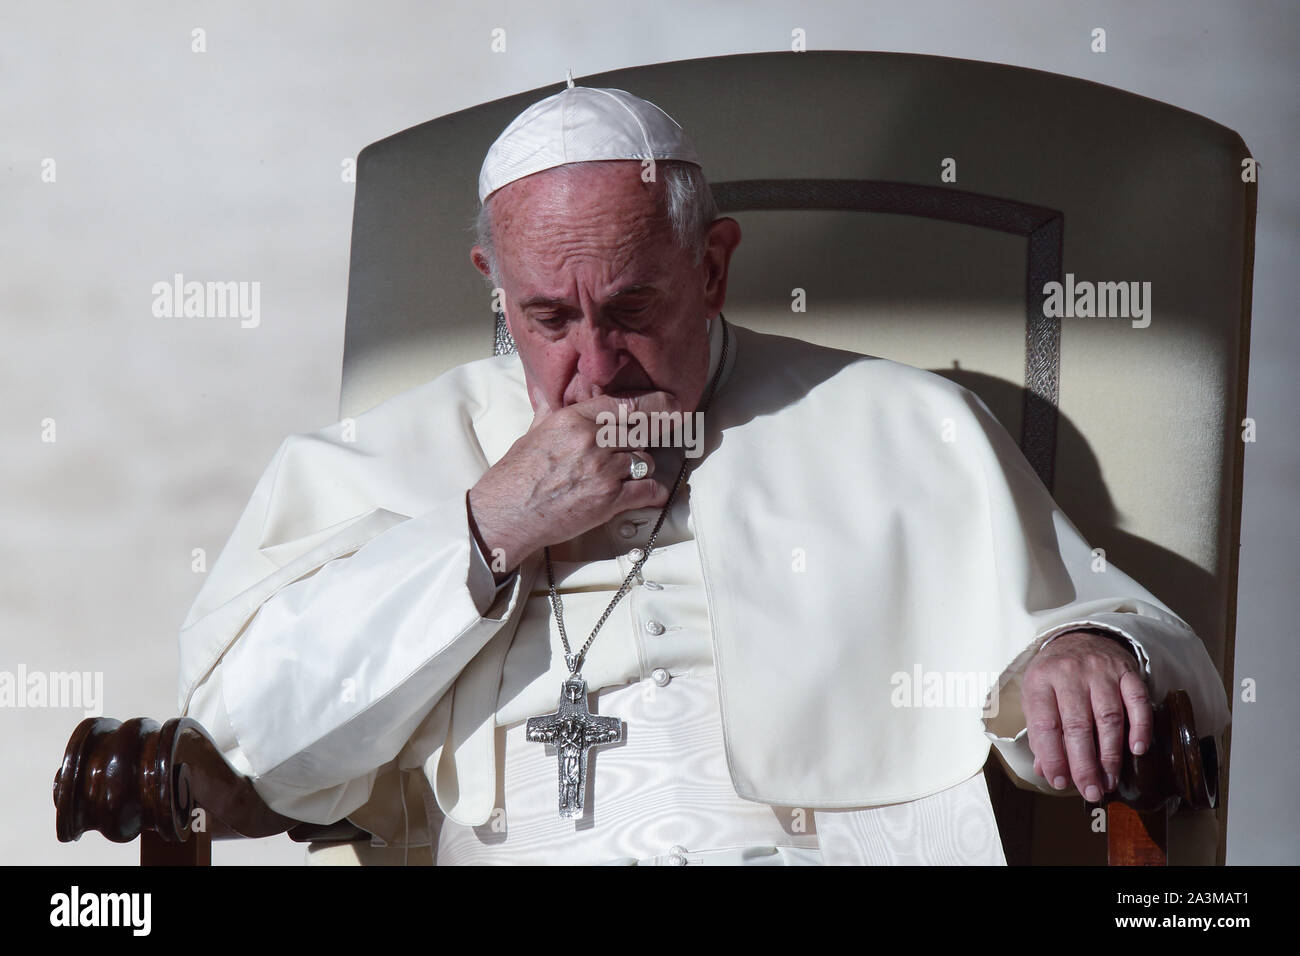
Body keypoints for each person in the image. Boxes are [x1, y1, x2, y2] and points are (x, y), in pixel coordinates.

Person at [178, 84, 1230, 865]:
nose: (592, 365)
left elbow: (1123, 639)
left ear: (714, 265)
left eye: (632, 309)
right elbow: (254, 751)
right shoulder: (375, 459)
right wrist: (486, 526)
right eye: (546, 317)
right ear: (492, 286)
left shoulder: (905, 424)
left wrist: (1086, 646)